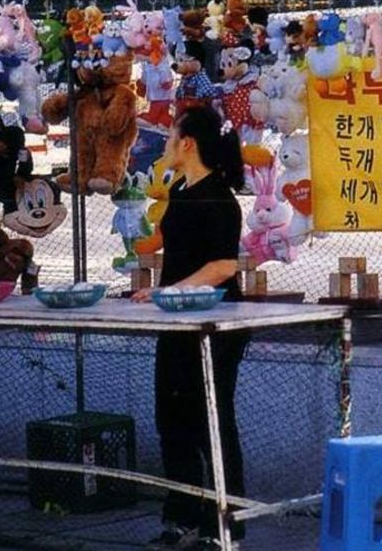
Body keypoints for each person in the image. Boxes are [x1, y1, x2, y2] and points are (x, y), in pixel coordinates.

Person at [131, 105, 247, 551]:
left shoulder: (219, 195)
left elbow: (222, 265)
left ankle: (224, 524)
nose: (165, 143)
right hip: (175, 321)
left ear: (188, 144)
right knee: (172, 419)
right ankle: (179, 515)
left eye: (170, 135)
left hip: (216, 325)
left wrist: (175, 289)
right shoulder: (179, 190)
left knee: (211, 421)